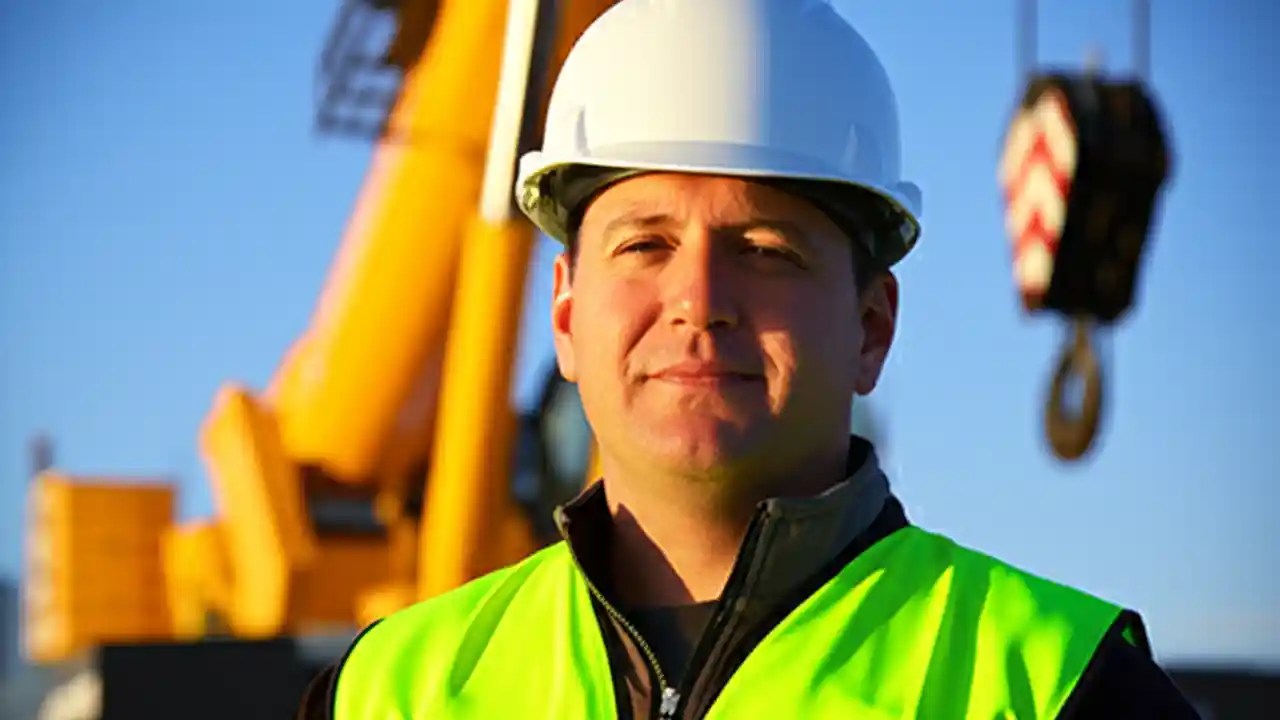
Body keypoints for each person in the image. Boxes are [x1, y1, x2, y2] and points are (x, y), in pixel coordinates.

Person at [297, 0, 1199, 717]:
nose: (698, 300)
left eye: (766, 250)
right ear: (567, 312)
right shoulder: (384, 695)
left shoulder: (1054, 689)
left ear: (872, 327)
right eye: (645, 245)